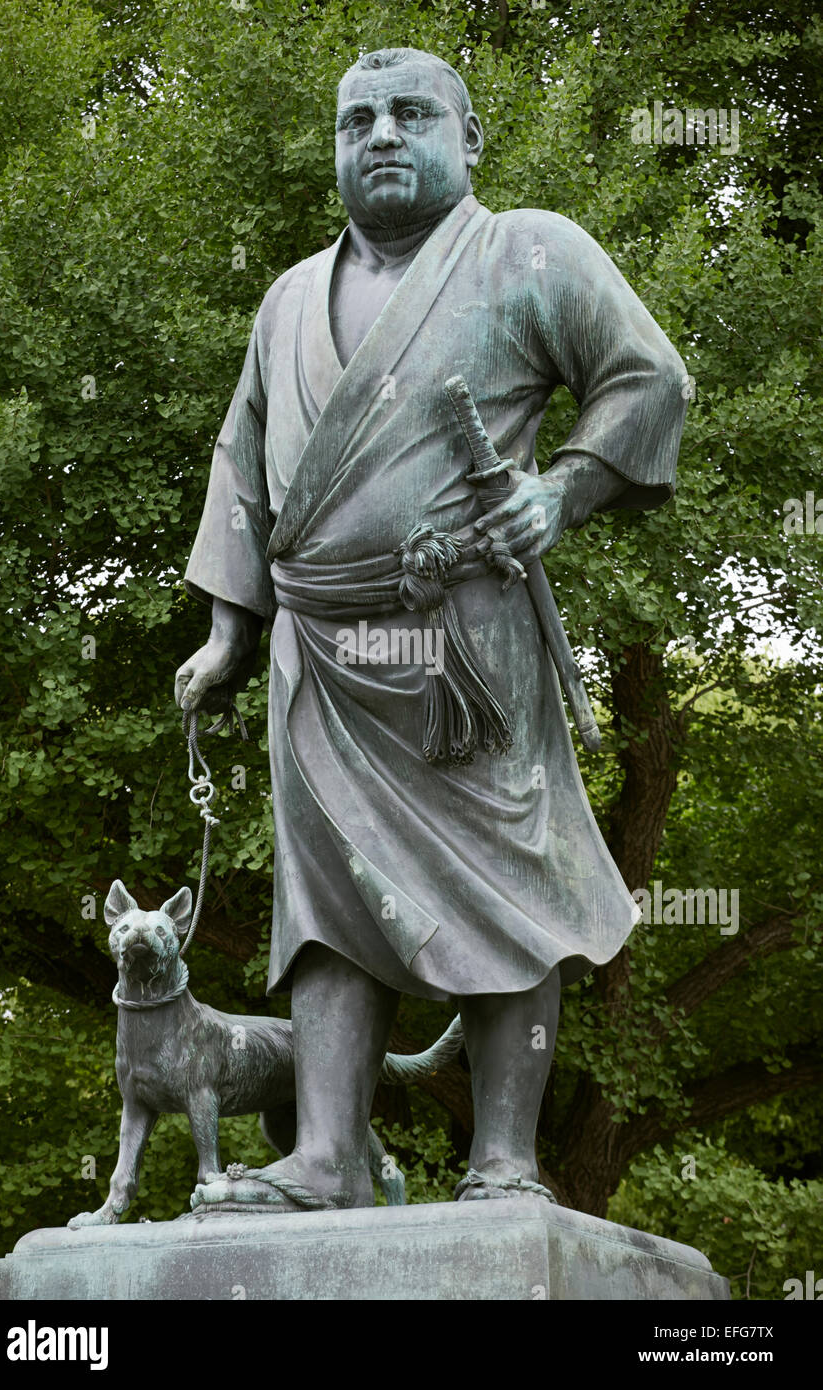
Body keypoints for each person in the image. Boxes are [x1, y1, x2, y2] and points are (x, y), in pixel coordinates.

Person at [175, 47, 687, 1212]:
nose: (384, 135)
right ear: (336, 149)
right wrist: (224, 630)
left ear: (469, 137)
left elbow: (647, 379)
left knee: (503, 876)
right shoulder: (288, 298)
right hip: (318, 653)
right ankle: (327, 1155)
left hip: (460, 634)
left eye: (412, 113)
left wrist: (558, 492)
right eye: (358, 119)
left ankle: (503, 1159)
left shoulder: (528, 253)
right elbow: (241, 467)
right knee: (324, 900)